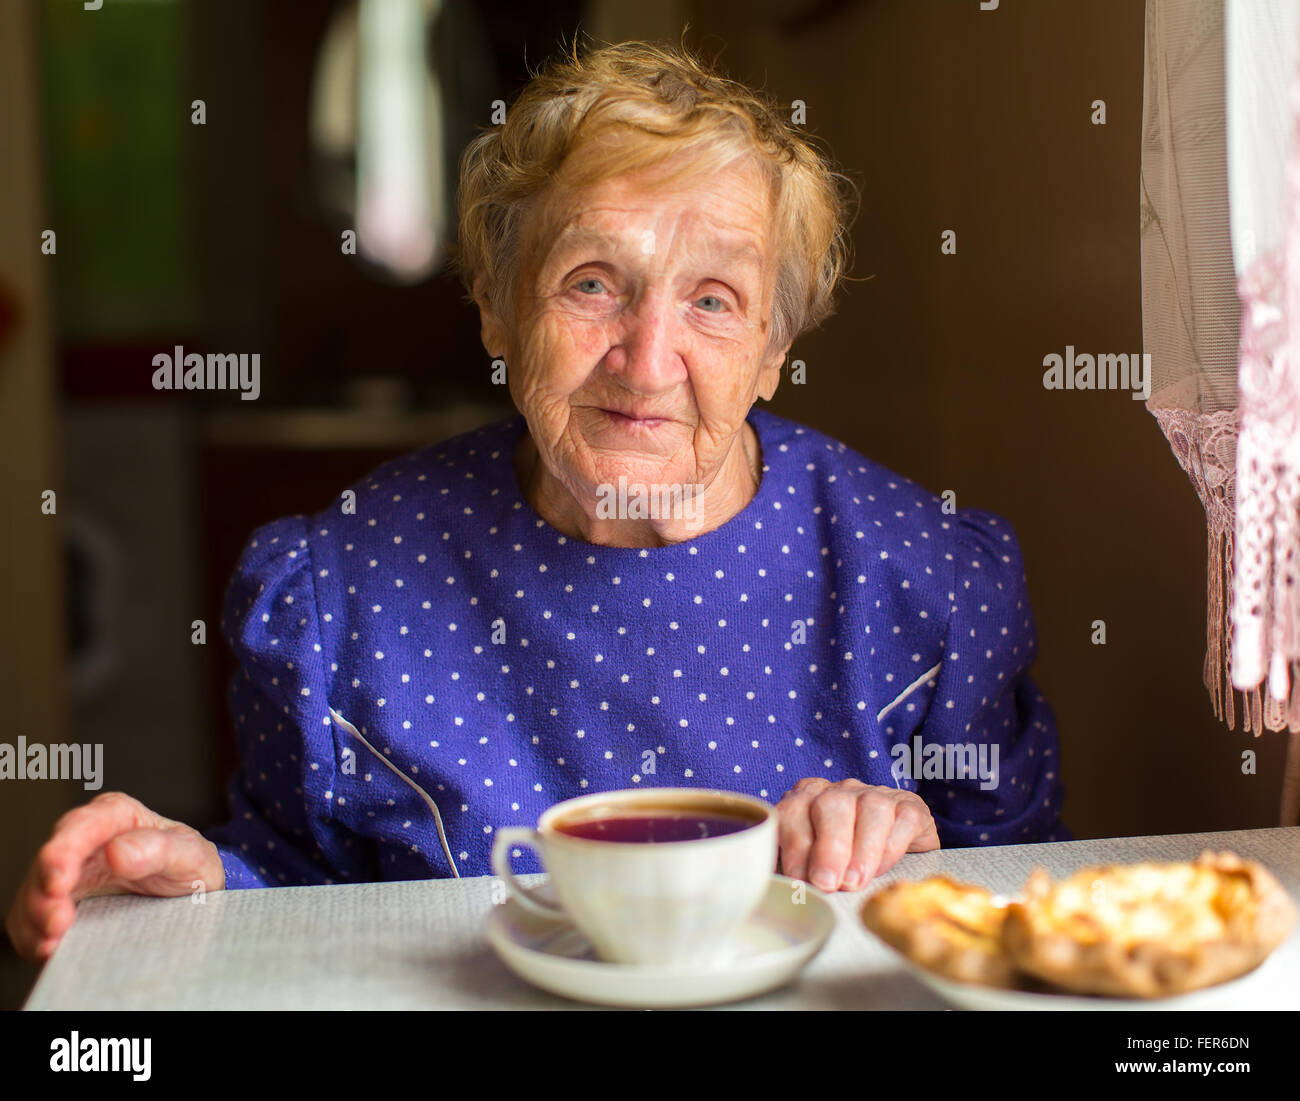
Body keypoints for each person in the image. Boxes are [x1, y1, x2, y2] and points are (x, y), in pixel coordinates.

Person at [6, 40, 1065, 962]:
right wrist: (196, 886)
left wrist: (914, 851)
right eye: (593, 282)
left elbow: (1032, 913)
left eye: (713, 300)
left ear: (774, 351)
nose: (648, 362)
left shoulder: (926, 585)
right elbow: (291, 899)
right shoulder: (339, 591)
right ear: (496, 308)